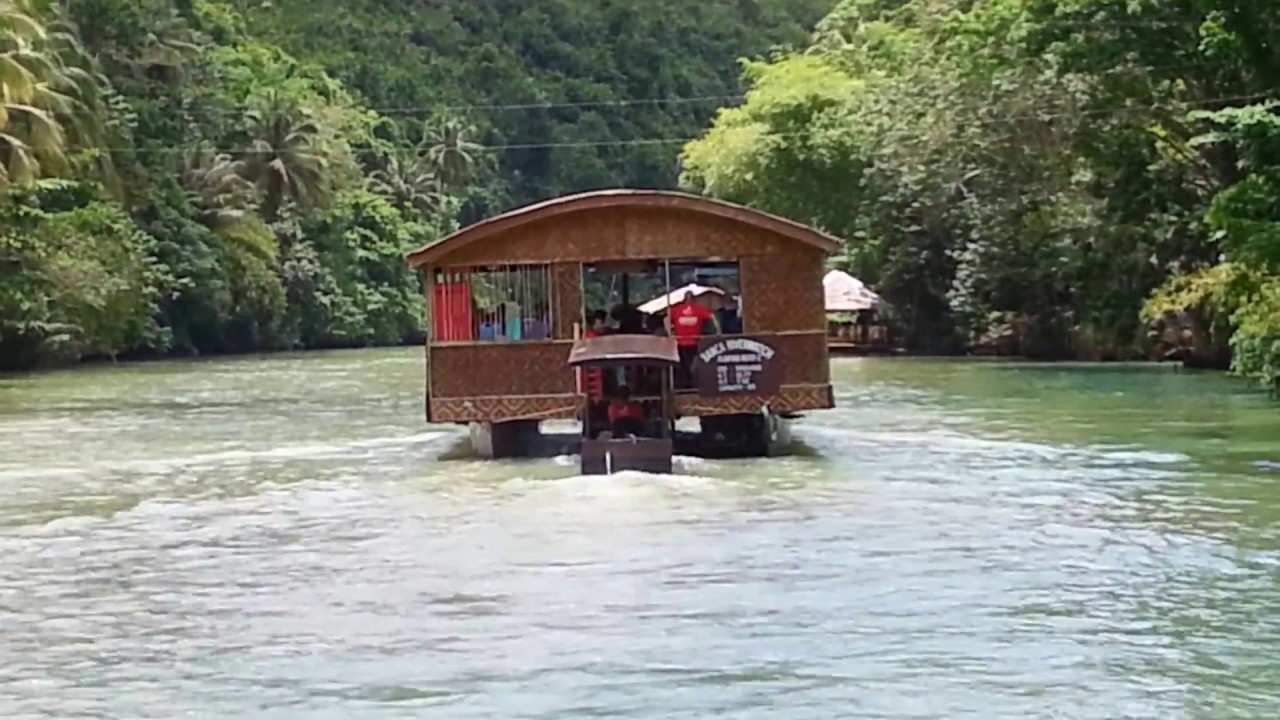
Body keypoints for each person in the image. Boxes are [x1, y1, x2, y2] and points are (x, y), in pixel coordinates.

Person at [667, 291, 718, 388]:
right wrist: (718, 331)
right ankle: (687, 384)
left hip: (691, 342)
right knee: (687, 365)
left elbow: (666, 319)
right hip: (683, 342)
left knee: (687, 365)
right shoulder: (691, 310)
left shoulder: (681, 310)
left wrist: (669, 331)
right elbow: (713, 317)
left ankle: (689, 384)